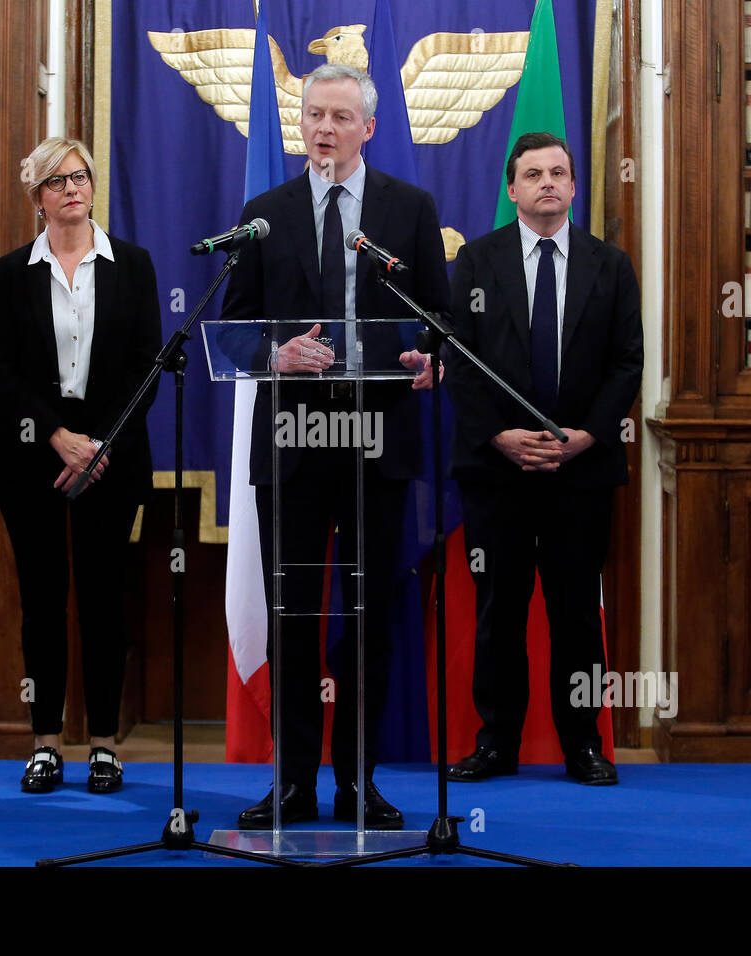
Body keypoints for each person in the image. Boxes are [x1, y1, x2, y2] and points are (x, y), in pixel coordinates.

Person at [220, 63, 450, 829]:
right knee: (291, 615)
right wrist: (275, 353)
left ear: (367, 129)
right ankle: (291, 783)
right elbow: (239, 329)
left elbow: (439, 323)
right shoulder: (263, 213)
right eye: (313, 114)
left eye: (340, 117)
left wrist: (428, 358)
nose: (323, 128)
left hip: (375, 438)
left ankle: (357, 781)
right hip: (291, 441)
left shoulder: (407, 209)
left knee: (370, 614)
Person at [443, 132, 643, 786]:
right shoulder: (475, 263)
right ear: (512, 188)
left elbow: (626, 363)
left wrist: (585, 433)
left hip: (579, 471)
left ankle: (583, 744)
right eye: (533, 174)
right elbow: (459, 362)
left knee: (577, 614)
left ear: (575, 186)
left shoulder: (610, 266)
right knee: (500, 611)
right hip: (497, 473)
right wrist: (501, 435)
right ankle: (496, 743)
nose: (547, 183)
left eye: (559, 172)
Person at [0, 137, 162, 794]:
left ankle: (106, 744)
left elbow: (148, 365)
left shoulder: (133, 265)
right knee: (41, 603)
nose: (72, 189)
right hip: (34, 455)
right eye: (56, 181)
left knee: (105, 601)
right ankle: (46, 742)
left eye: (80, 176)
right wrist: (58, 437)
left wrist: (99, 443)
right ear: (37, 198)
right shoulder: (11, 271)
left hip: (110, 455)